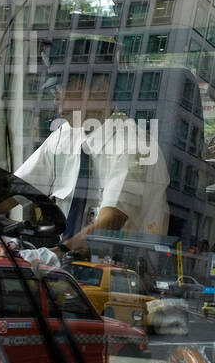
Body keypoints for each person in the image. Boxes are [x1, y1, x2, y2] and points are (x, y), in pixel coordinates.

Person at [10, 76, 170, 255]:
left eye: (62, 88)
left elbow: (109, 223)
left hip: (117, 272)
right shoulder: (62, 138)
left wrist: (54, 255)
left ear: (100, 88)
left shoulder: (134, 146)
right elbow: (14, 189)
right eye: (54, 92)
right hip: (65, 268)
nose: (56, 99)